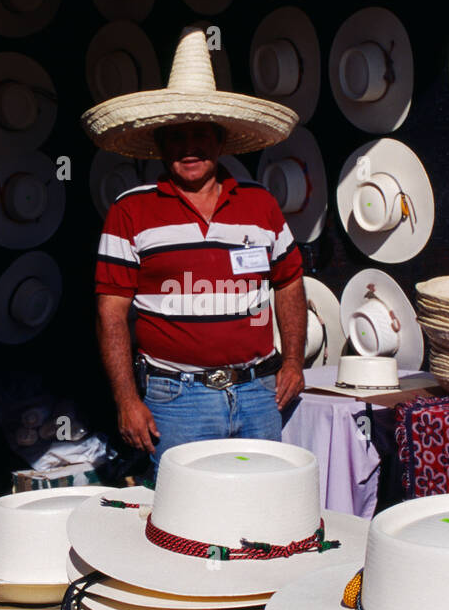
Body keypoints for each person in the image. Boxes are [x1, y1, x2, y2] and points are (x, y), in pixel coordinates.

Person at [84, 26, 307, 473]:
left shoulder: (259, 203)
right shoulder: (131, 211)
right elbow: (111, 313)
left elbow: (290, 282)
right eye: (177, 137)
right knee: (185, 526)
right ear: (160, 145)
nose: (190, 148)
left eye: (201, 135)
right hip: (175, 399)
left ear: (220, 141)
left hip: (256, 393)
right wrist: (127, 400)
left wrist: (295, 363)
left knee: (262, 511)